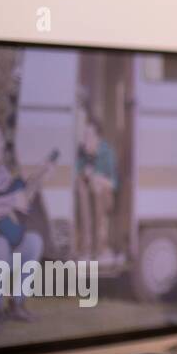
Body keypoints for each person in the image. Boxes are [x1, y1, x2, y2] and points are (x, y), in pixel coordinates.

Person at [0, 126, 54, 323]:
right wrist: (12, 201)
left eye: (0, 140)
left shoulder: (2, 171)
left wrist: (36, 181)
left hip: (6, 242)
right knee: (0, 246)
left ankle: (17, 304)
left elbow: (21, 203)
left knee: (34, 241)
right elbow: (9, 201)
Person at [75, 111, 119, 263]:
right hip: (87, 195)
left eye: (89, 136)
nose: (86, 140)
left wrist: (97, 178)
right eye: (84, 135)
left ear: (98, 138)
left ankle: (100, 247)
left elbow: (113, 183)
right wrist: (84, 174)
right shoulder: (82, 153)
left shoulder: (107, 153)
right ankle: (86, 247)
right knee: (82, 187)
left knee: (96, 186)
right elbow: (76, 174)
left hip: (105, 196)